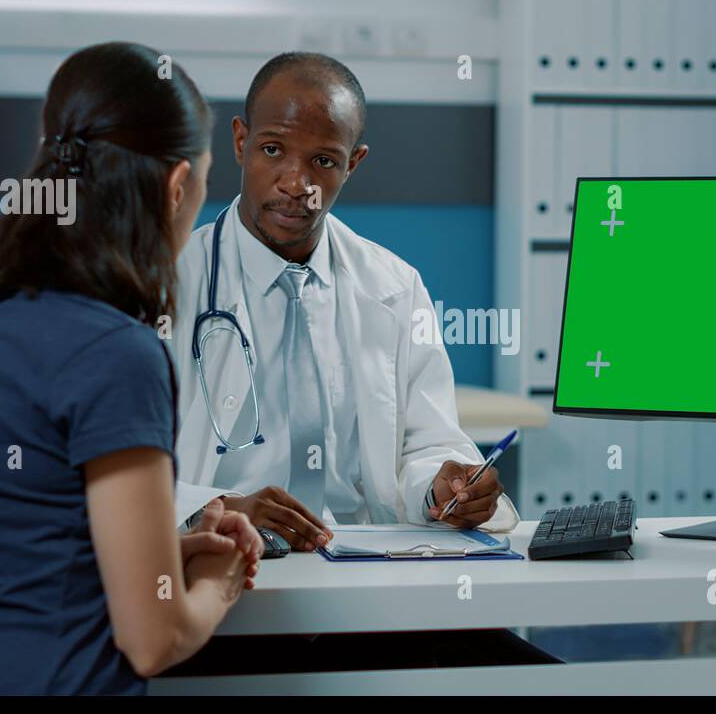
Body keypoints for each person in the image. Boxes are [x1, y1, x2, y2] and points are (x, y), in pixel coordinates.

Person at [0, 42, 263, 695]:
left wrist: (166, 557)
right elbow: (153, 638)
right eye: (202, 182)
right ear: (177, 188)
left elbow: (17, 555)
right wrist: (215, 584)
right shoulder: (116, 354)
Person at [172, 52, 519, 551]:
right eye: (272, 149)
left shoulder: (395, 287)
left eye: (324, 161)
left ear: (352, 164)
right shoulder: (169, 282)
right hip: (226, 571)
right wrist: (216, 508)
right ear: (240, 141)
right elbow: (116, 475)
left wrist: (444, 487)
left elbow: (428, 444)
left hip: (361, 566)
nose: (297, 184)